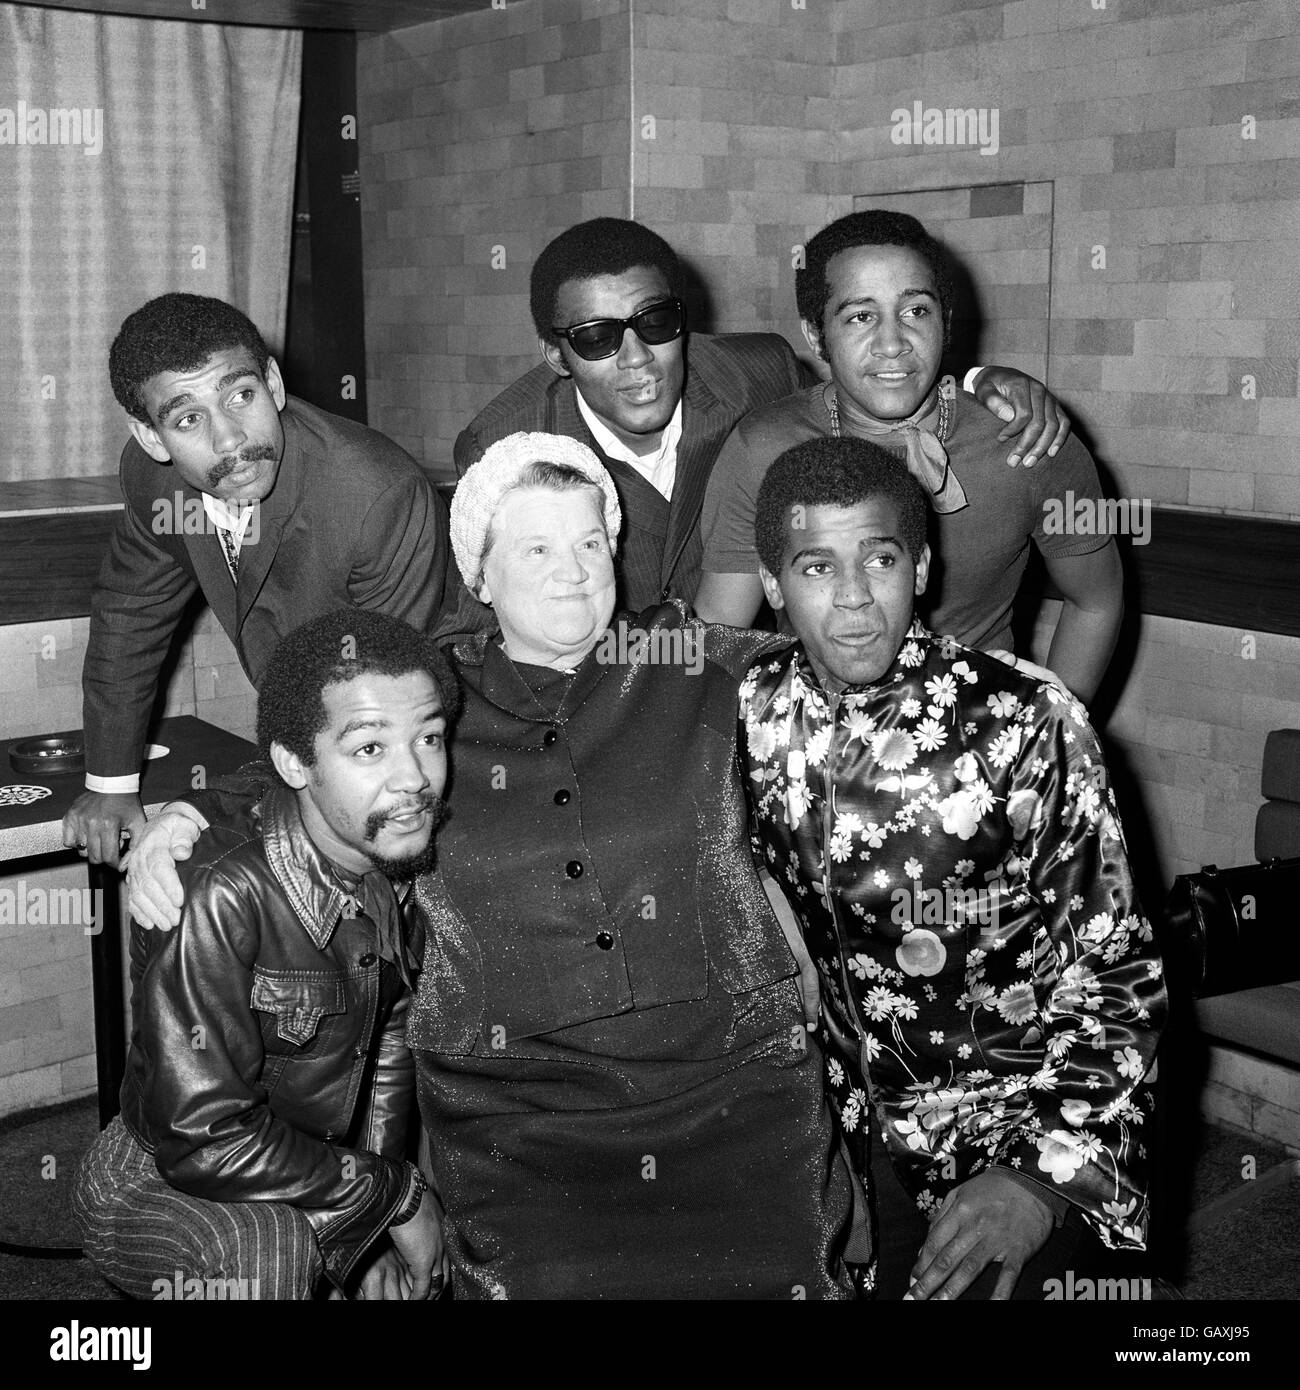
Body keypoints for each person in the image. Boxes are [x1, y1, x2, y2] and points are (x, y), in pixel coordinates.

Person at [124, 431, 866, 1300]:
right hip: (518, 1101)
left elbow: (858, 678)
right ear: (480, 574)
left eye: (593, 542)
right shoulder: (433, 698)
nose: (575, 570)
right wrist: (182, 816)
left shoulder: (694, 659)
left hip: (730, 1075)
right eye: (538, 547)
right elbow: (310, 763)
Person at [738, 436, 1167, 1300]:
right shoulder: (744, 707)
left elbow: (1118, 969)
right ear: (773, 585)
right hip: (822, 1135)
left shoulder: (1024, 720)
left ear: (923, 566)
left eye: (880, 559)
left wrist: (1045, 1180)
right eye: (816, 568)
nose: (855, 597)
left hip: (1012, 1126)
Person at [72, 609, 458, 1301]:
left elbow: (387, 1061)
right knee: (268, 1250)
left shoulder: (397, 865)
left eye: (428, 738)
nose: (414, 778)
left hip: (307, 1173)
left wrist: (363, 1235)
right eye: (370, 748)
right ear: (293, 763)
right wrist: (393, 1197)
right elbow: (203, 1139)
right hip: (160, 1173)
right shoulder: (219, 892)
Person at [447, 216, 1071, 622]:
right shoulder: (508, 444)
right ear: (556, 354)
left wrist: (977, 381)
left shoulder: (758, 373)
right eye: (596, 338)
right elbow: (482, 620)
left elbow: (868, 390)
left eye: (655, 322)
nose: (638, 359)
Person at [63, 292, 452, 866]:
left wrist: (207, 808)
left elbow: (374, 708)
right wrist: (111, 784)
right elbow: (130, 616)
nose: (231, 440)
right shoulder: (152, 480)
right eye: (189, 419)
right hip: (321, 735)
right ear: (151, 438)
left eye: (241, 396)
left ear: (272, 384)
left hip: (433, 736)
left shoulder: (374, 493)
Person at [696, 210, 1124, 704]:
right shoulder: (762, 446)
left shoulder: (1029, 440)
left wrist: (1052, 733)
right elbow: (719, 637)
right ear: (816, 336)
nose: (893, 343)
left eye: (915, 311)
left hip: (976, 737)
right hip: (810, 735)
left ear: (944, 320)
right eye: (861, 316)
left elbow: (1095, 600)